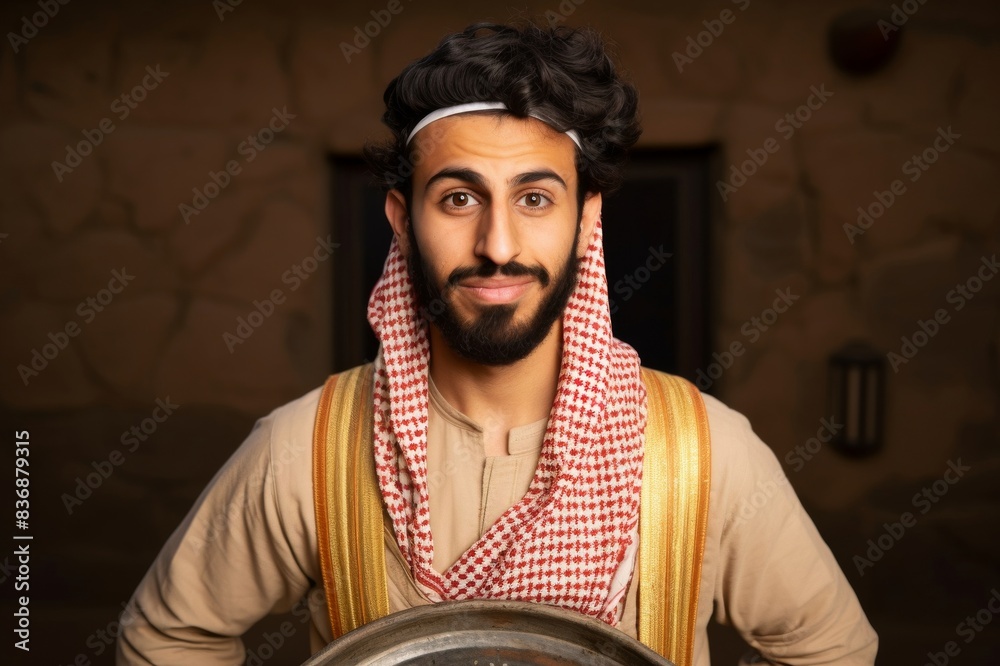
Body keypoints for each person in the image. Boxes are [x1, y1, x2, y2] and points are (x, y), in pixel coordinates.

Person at [117, 21, 878, 665]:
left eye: (536, 198)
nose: (497, 244)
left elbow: (835, 651)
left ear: (587, 220)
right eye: (458, 198)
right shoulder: (305, 449)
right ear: (400, 217)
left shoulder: (705, 452)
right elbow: (168, 636)